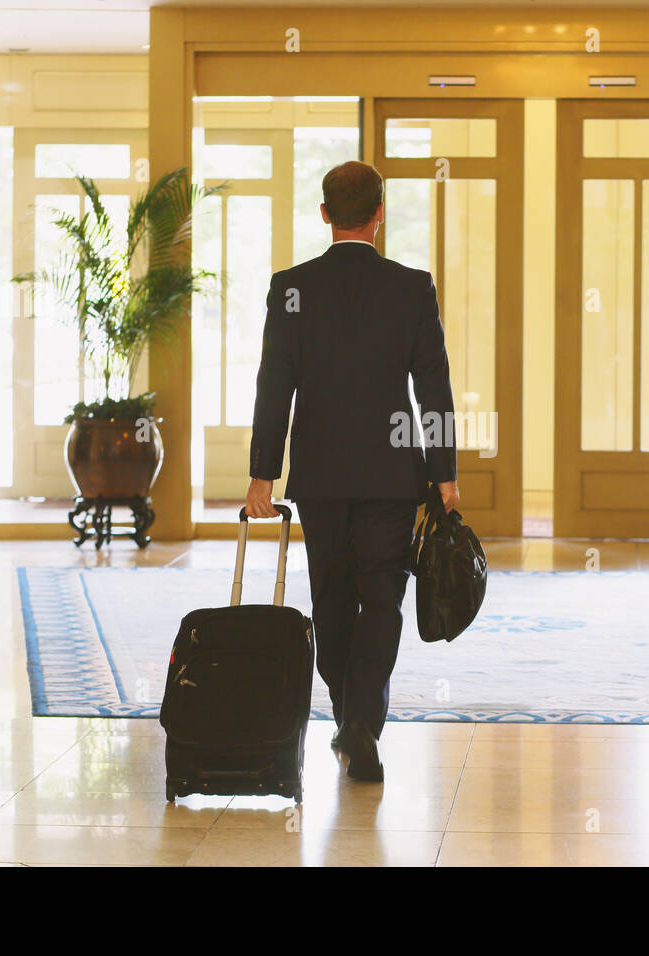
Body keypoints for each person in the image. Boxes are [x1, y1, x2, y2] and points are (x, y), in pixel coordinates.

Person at [244, 160, 459, 783]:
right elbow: (434, 391)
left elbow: (273, 385)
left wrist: (265, 473)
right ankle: (360, 724)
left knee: (332, 599)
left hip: (320, 475)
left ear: (323, 214)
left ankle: (350, 719)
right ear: (381, 213)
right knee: (384, 598)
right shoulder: (412, 287)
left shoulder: (290, 287)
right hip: (393, 474)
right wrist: (443, 472)